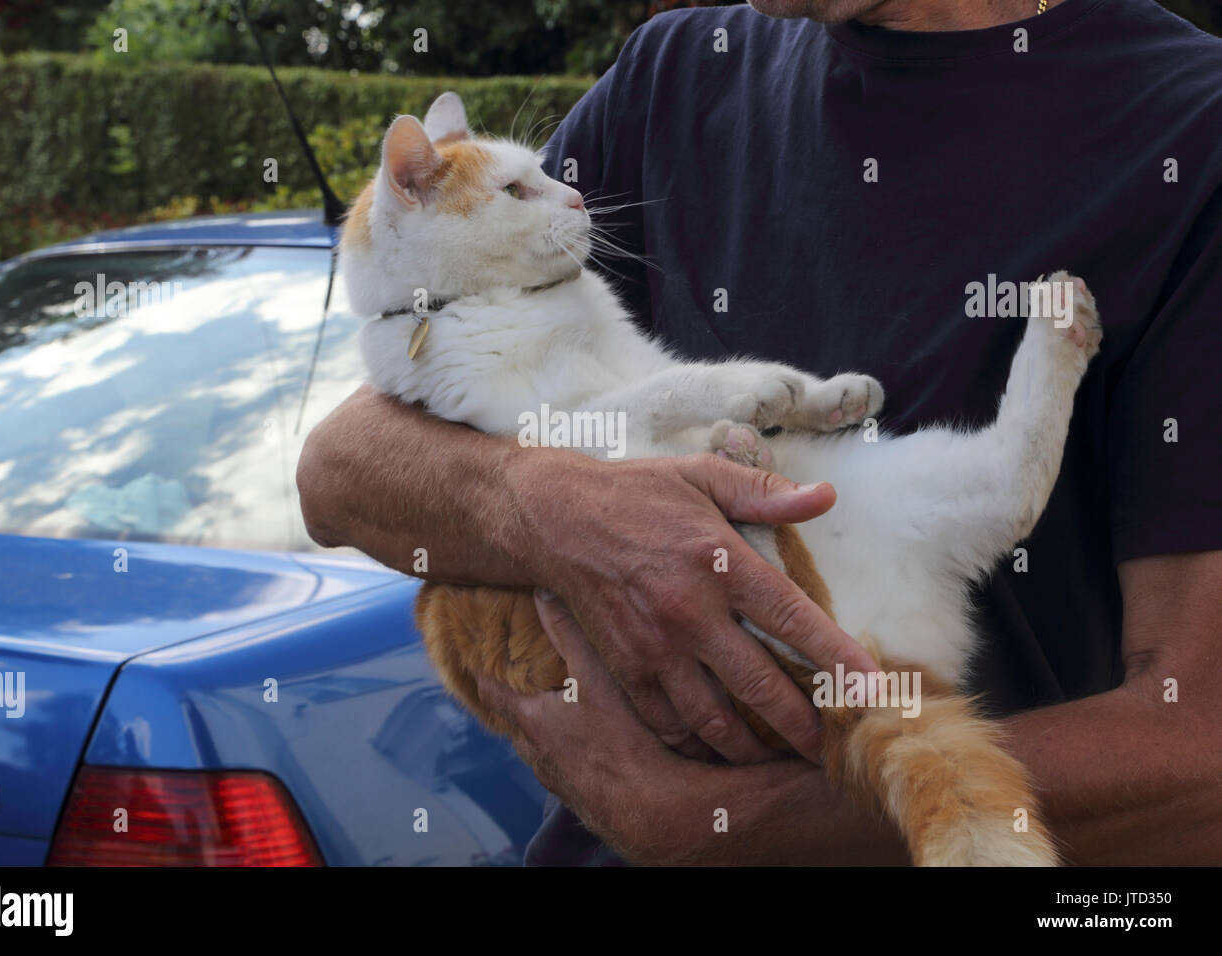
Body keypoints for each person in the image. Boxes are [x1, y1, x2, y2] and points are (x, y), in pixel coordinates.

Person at [297, 0, 1222, 865]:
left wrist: (708, 824)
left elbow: (1199, 753)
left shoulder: (1191, 129)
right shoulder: (678, 72)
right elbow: (340, 472)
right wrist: (551, 508)